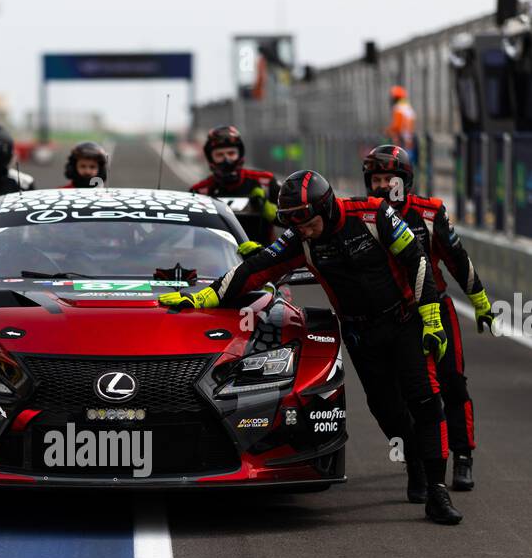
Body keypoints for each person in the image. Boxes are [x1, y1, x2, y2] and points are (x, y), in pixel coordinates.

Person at [159, 169, 462, 525]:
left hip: (405, 319)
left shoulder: (373, 214)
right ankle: (414, 457)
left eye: (303, 220)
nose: (299, 228)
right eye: (290, 222)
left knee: (425, 397)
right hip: (361, 333)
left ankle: (438, 491)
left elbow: (417, 259)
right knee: (385, 408)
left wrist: (431, 318)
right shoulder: (299, 238)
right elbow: (255, 270)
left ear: (326, 207)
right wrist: (202, 297)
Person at [362, 144, 495, 493]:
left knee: (452, 380)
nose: (381, 186)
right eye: (375, 179)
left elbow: (457, 259)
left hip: (435, 306)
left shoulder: (430, 212)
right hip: (394, 317)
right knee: (409, 394)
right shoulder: (363, 218)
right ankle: (417, 462)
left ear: (405, 181)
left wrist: (481, 301)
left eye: (388, 179)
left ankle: (463, 455)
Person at [190, 125, 279, 243]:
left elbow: (297, 223)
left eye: (231, 153)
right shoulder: (199, 192)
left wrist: (270, 210)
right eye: (220, 155)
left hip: (265, 256)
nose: (226, 160)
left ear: (240, 154)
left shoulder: (265, 182)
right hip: (217, 257)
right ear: (210, 158)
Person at [387, 86, 417, 159]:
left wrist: (388, 131)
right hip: (409, 141)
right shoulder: (408, 107)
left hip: (402, 142)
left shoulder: (398, 108)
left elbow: (397, 126)